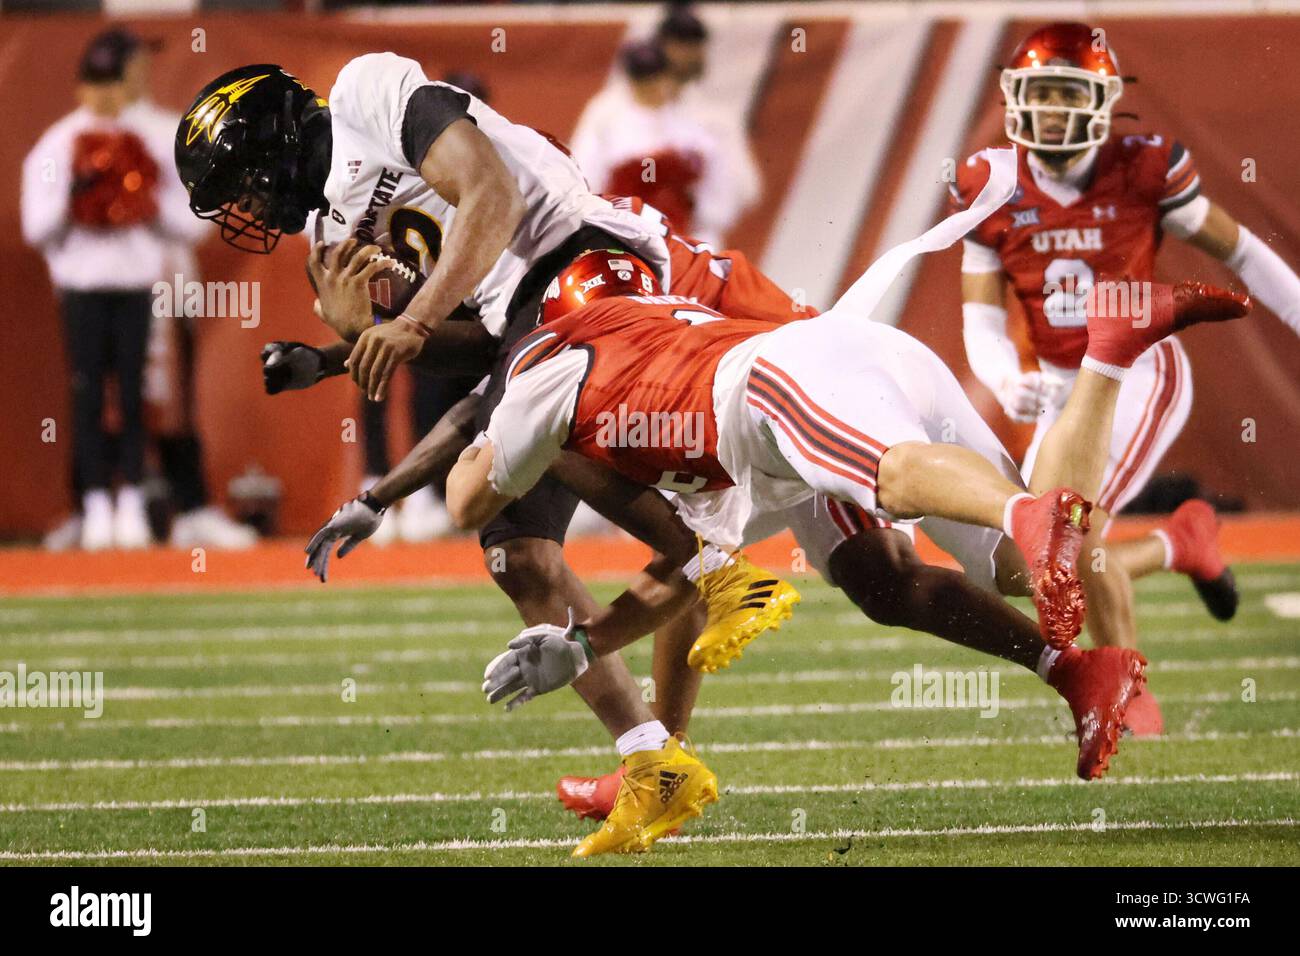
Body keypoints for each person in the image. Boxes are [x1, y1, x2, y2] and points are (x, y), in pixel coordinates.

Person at [175, 55, 798, 856]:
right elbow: (473, 355)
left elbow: (492, 193)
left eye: (245, 181)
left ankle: (718, 564)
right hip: (522, 324)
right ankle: (654, 762)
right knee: (517, 556)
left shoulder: (368, 91)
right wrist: (356, 340)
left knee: (531, 448)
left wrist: (406, 324)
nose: (251, 205)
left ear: (276, 140)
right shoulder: (330, 237)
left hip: (585, 265)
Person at [954, 22, 1300, 733]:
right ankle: (1180, 546)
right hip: (1058, 380)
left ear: (1102, 100)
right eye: (1038, 94)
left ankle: (1124, 686)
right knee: (1033, 558)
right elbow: (980, 316)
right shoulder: (989, 182)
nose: (1050, 111)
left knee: (1073, 535)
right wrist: (1003, 374)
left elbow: (1242, 253)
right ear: (1015, 100)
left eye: (1065, 94)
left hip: (1141, 370)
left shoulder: (1143, 166)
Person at [23, 27, 208, 550]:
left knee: (131, 394)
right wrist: (77, 196)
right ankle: (95, 503)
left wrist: (143, 200)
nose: (105, 96)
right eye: (95, 84)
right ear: (81, 88)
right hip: (81, 288)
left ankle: (130, 500)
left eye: (112, 83)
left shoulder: (145, 139)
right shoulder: (58, 143)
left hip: (136, 286)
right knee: (86, 394)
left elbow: (191, 221)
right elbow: (38, 227)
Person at [570, 38, 752, 247]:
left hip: (684, 235)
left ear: (667, 76)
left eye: (655, 78)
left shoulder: (695, 120)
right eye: (643, 80)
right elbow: (586, 177)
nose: (651, 86)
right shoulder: (609, 118)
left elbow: (717, 179)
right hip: (624, 235)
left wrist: (709, 218)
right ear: (630, 81)